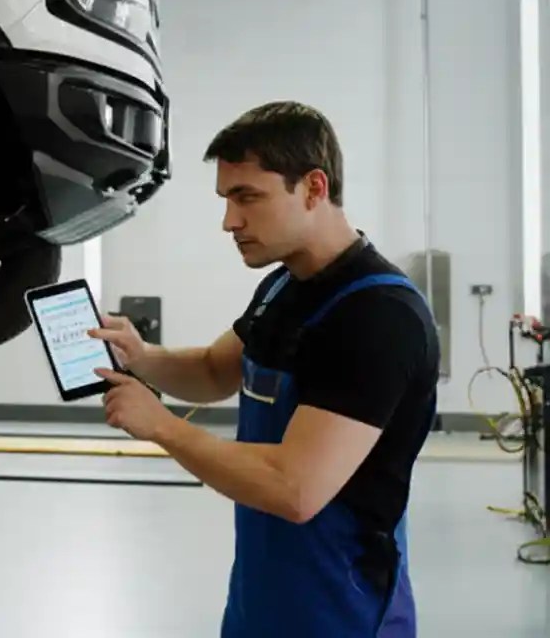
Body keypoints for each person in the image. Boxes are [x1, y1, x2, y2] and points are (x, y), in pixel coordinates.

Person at [89, 101, 439, 638]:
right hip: (261, 598)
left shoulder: (377, 317)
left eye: (248, 197)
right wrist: (142, 358)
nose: (230, 221)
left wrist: (160, 424)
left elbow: (295, 489)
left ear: (314, 188)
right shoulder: (282, 286)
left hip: (342, 612)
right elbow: (212, 371)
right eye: (227, 199)